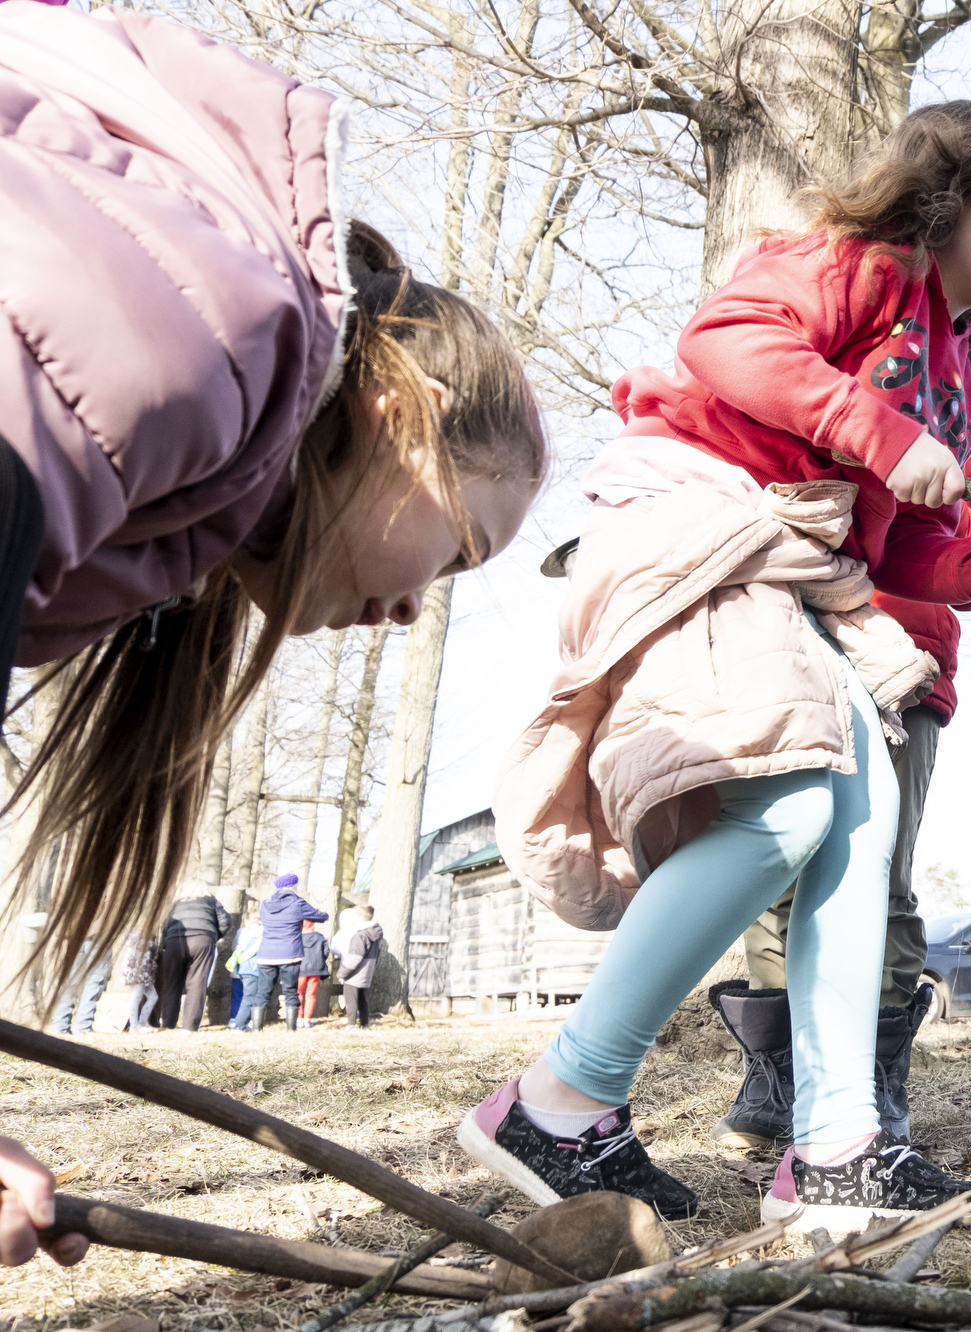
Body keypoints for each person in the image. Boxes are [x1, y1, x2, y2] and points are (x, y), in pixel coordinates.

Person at [0, 3, 545, 1270]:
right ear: (402, 414)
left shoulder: (190, 459)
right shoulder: (203, 339)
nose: (416, 607)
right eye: (457, 551)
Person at [470, 100, 971, 1234]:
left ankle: (838, 1146)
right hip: (703, 521)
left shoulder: (958, 371)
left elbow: (901, 541)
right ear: (957, 190)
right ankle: (561, 1097)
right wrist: (879, 431)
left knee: (860, 822)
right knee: (788, 809)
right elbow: (729, 340)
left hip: (799, 568)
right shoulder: (858, 266)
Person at [713, 474, 971, 1151]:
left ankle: (875, 1081)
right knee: (774, 868)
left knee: (880, 879)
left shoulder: (950, 461)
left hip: (900, 664)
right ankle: (779, 1079)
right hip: (783, 652)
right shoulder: (795, 434)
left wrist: (945, 512)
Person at [247, 875, 327, 1033]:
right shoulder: (297, 903)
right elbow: (319, 916)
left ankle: (257, 1029)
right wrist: (325, 915)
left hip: (267, 954)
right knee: (291, 990)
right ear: (292, 887)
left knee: (262, 991)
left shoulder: (265, 904)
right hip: (290, 954)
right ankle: (291, 1030)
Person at [157, 883, 231, 1032]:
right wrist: (213, 935)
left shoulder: (175, 903)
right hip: (203, 940)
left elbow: (164, 925)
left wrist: (165, 942)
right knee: (197, 983)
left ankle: (168, 1024)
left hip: (175, 941)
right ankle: (189, 1027)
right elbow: (225, 921)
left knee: (171, 983)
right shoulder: (211, 901)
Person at [337, 906, 383, 1030]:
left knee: (350, 1000)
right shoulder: (373, 933)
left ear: (360, 918)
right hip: (367, 971)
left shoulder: (360, 935)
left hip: (355, 973)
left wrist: (342, 973)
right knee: (363, 999)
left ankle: (351, 1024)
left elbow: (354, 957)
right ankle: (364, 1024)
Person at [48, 950, 110, 1037]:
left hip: (76, 943)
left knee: (71, 979)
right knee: (95, 979)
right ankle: (83, 1026)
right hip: (96, 943)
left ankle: (60, 1025)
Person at [224, 912, 265, 1033]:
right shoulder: (261, 932)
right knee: (250, 996)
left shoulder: (241, 932)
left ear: (246, 920)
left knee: (238, 996)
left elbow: (235, 947)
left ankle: (234, 1018)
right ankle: (242, 1023)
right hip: (252, 967)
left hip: (239, 967)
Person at [118, 933, 159, 1033]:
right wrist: (133, 974)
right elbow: (133, 958)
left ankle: (141, 1023)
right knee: (136, 998)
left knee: (153, 996)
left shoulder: (149, 941)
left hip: (146, 974)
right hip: (137, 973)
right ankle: (134, 1026)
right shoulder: (136, 940)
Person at [297, 920, 330, 1029]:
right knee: (311, 994)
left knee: (298, 994)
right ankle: (307, 1019)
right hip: (316, 970)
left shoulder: (296, 937)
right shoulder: (320, 937)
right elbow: (326, 951)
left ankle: (298, 1019)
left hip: (300, 969)